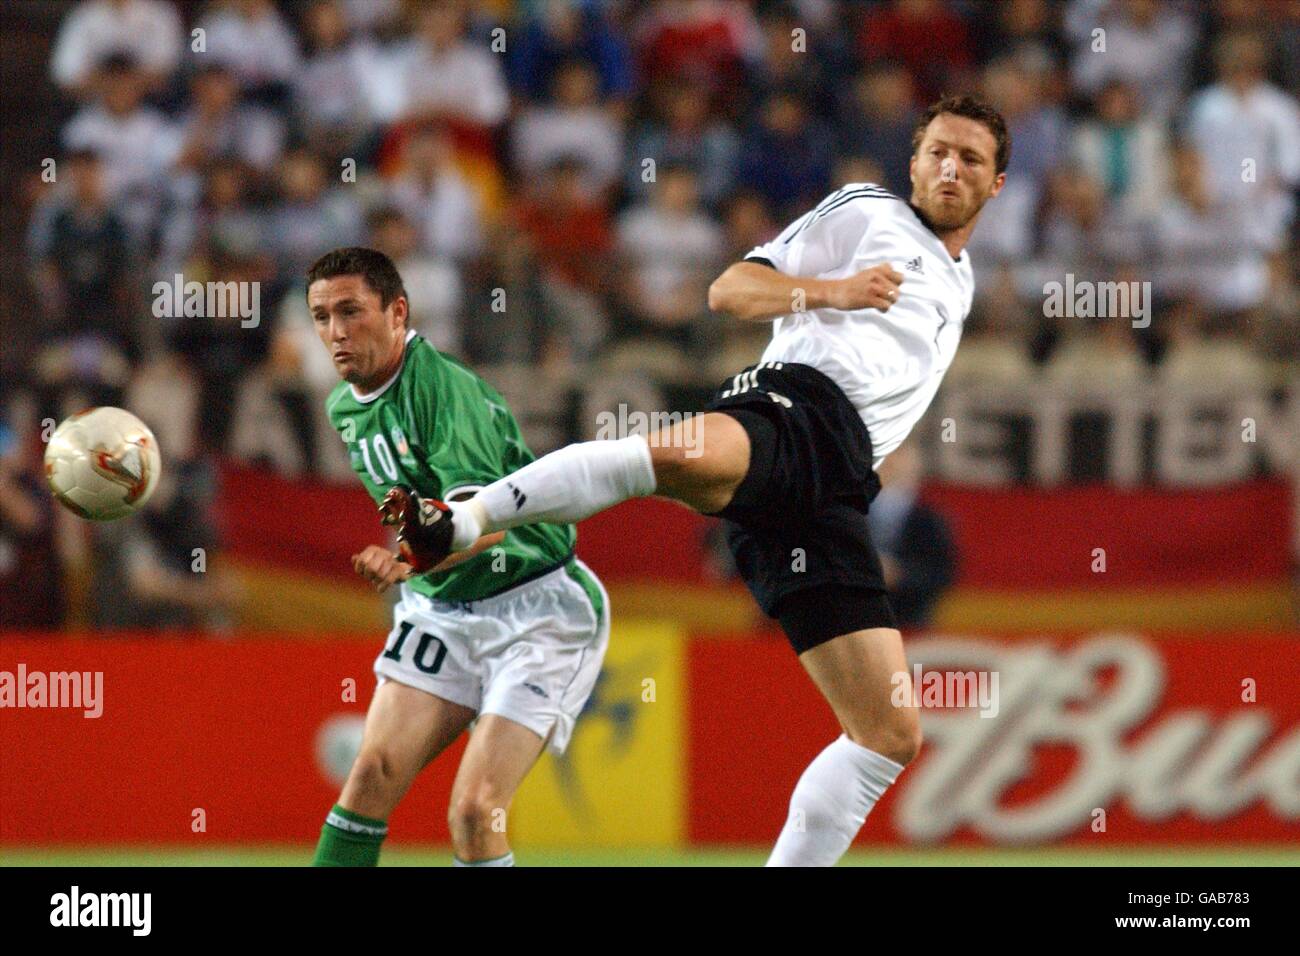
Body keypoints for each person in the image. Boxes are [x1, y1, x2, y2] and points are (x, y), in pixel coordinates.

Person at [379, 94, 1009, 867]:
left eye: (970, 158)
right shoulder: (867, 210)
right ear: (912, 163)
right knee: (679, 457)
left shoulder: (962, 279)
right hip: (795, 404)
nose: (950, 168)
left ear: (997, 185)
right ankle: (467, 519)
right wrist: (834, 292)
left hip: (838, 486)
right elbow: (730, 291)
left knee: (888, 735)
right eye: (938, 151)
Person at [306, 247, 609, 867]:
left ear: (397, 312)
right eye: (321, 316)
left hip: (535, 606)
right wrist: (410, 560)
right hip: (442, 606)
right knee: (369, 775)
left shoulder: (443, 390)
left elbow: (482, 528)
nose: (335, 332)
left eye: (350, 311)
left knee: (476, 811)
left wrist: (405, 563)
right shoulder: (345, 406)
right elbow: (419, 518)